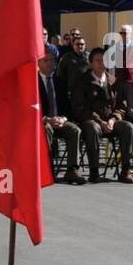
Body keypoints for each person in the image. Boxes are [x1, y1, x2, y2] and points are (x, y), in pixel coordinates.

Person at [71, 46, 133, 183]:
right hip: (91, 120)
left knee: (128, 127)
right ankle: (94, 171)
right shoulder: (82, 81)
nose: (102, 64)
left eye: (104, 60)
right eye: (98, 61)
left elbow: (121, 106)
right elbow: (80, 107)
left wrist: (113, 119)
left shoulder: (113, 81)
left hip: (111, 121)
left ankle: (126, 170)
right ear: (91, 63)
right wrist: (100, 121)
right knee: (92, 128)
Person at [39, 53, 85, 184]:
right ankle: (46, 168)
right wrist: (46, 119)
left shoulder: (60, 81)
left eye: (52, 61)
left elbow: (67, 107)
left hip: (59, 121)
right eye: (46, 60)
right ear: (38, 63)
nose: (49, 63)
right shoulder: (33, 82)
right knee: (46, 129)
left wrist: (63, 118)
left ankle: (72, 170)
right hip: (43, 122)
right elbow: (30, 107)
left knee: (74, 130)